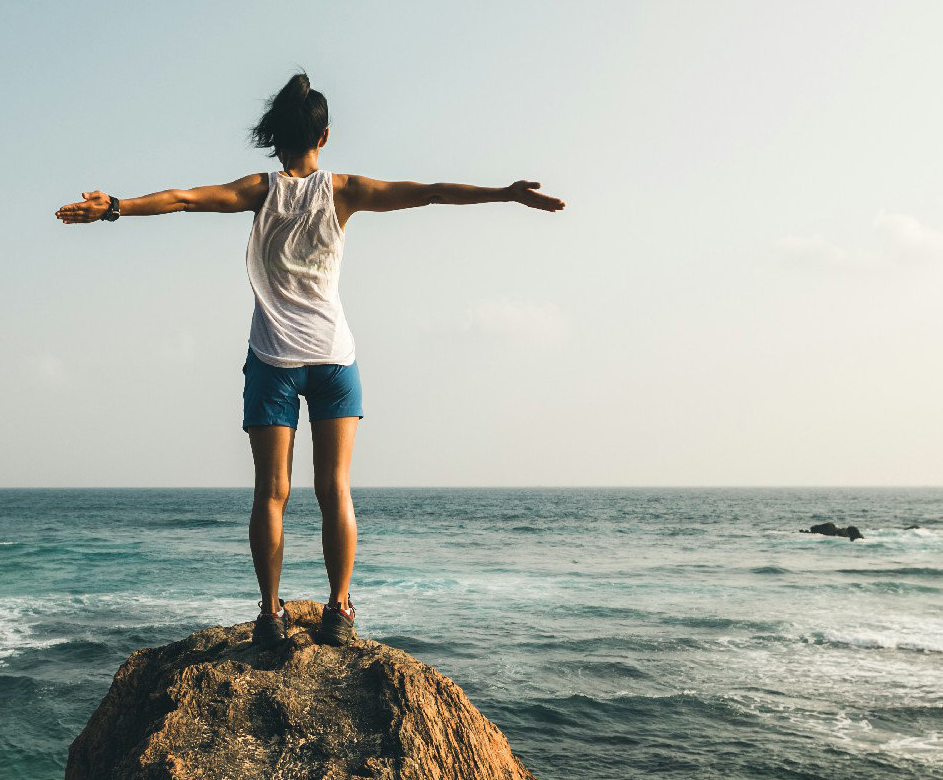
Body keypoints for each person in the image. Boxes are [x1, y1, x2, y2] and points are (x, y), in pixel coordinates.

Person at [56, 73, 564, 647]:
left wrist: (115, 207)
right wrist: (505, 193)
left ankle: (270, 616)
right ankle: (339, 610)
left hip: (272, 358)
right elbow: (428, 191)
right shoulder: (344, 190)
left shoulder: (261, 189)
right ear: (325, 134)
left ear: (278, 137)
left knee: (271, 494)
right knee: (335, 491)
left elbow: (183, 200)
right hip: (333, 360)